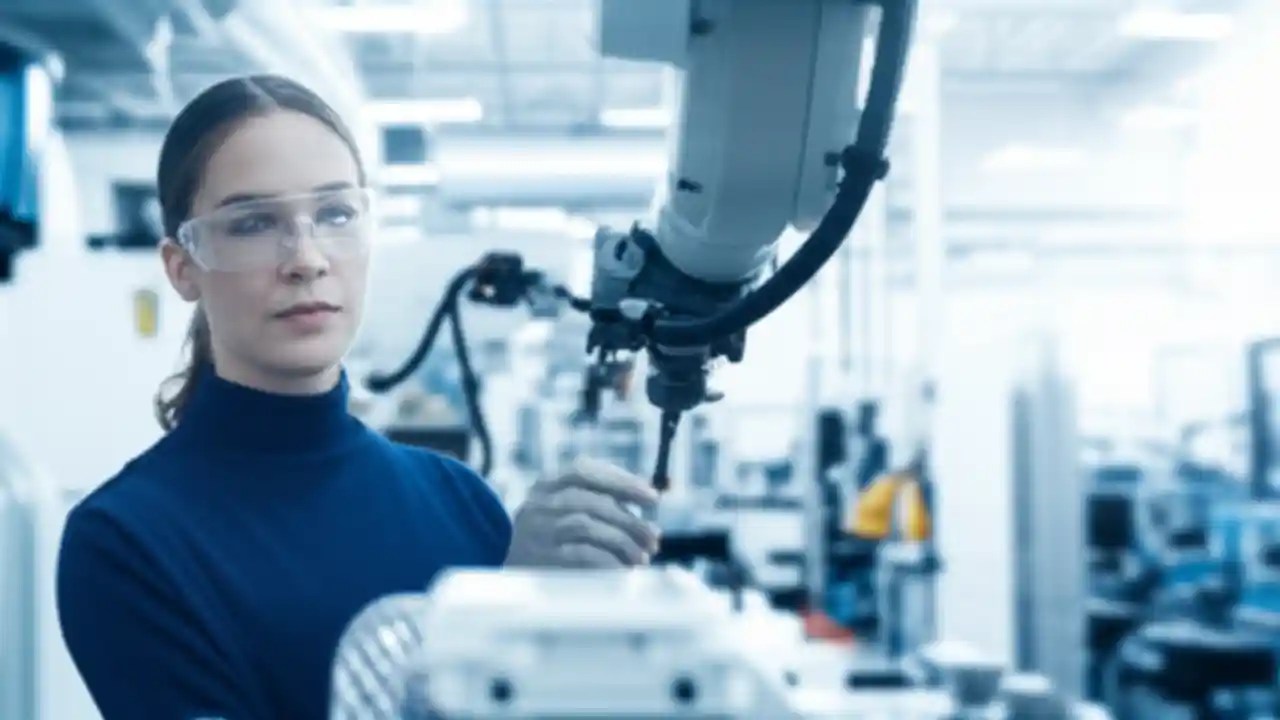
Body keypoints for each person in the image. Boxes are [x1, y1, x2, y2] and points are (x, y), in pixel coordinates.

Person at [55, 74, 662, 720]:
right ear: (183, 267)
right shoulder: (126, 542)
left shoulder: (461, 500)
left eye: (336, 214)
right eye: (254, 222)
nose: (307, 257)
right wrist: (494, 625)